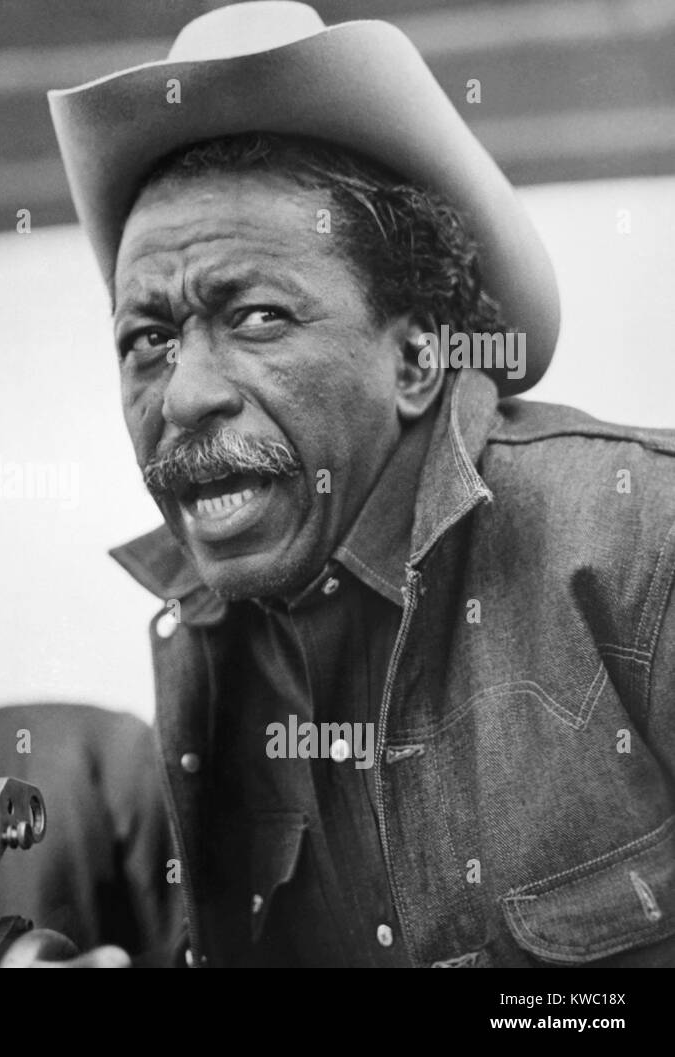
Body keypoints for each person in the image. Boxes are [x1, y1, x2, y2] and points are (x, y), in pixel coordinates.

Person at [43, 2, 675, 966]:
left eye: (255, 317)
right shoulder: (203, 640)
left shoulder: (643, 539)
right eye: (149, 340)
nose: (186, 396)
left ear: (417, 357)